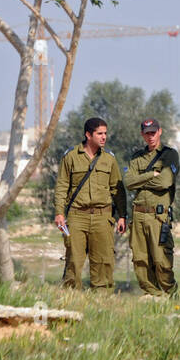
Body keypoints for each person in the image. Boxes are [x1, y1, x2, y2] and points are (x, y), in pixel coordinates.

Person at [55, 117, 127, 291]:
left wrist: (123, 216)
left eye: (105, 133)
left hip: (103, 217)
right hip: (77, 216)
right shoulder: (71, 156)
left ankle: (102, 301)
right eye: (99, 133)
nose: (104, 137)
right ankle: (71, 299)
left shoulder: (109, 159)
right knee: (74, 260)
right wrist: (59, 213)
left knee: (103, 261)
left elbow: (118, 189)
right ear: (88, 135)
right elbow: (62, 186)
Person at [123, 118, 179, 296]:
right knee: (140, 260)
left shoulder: (169, 155)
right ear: (142, 135)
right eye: (147, 133)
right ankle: (154, 297)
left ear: (160, 132)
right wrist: (150, 175)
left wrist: (140, 179)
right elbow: (128, 182)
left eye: (153, 133)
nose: (151, 137)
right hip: (138, 215)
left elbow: (165, 181)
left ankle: (172, 295)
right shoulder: (136, 157)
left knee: (162, 261)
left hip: (158, 216)